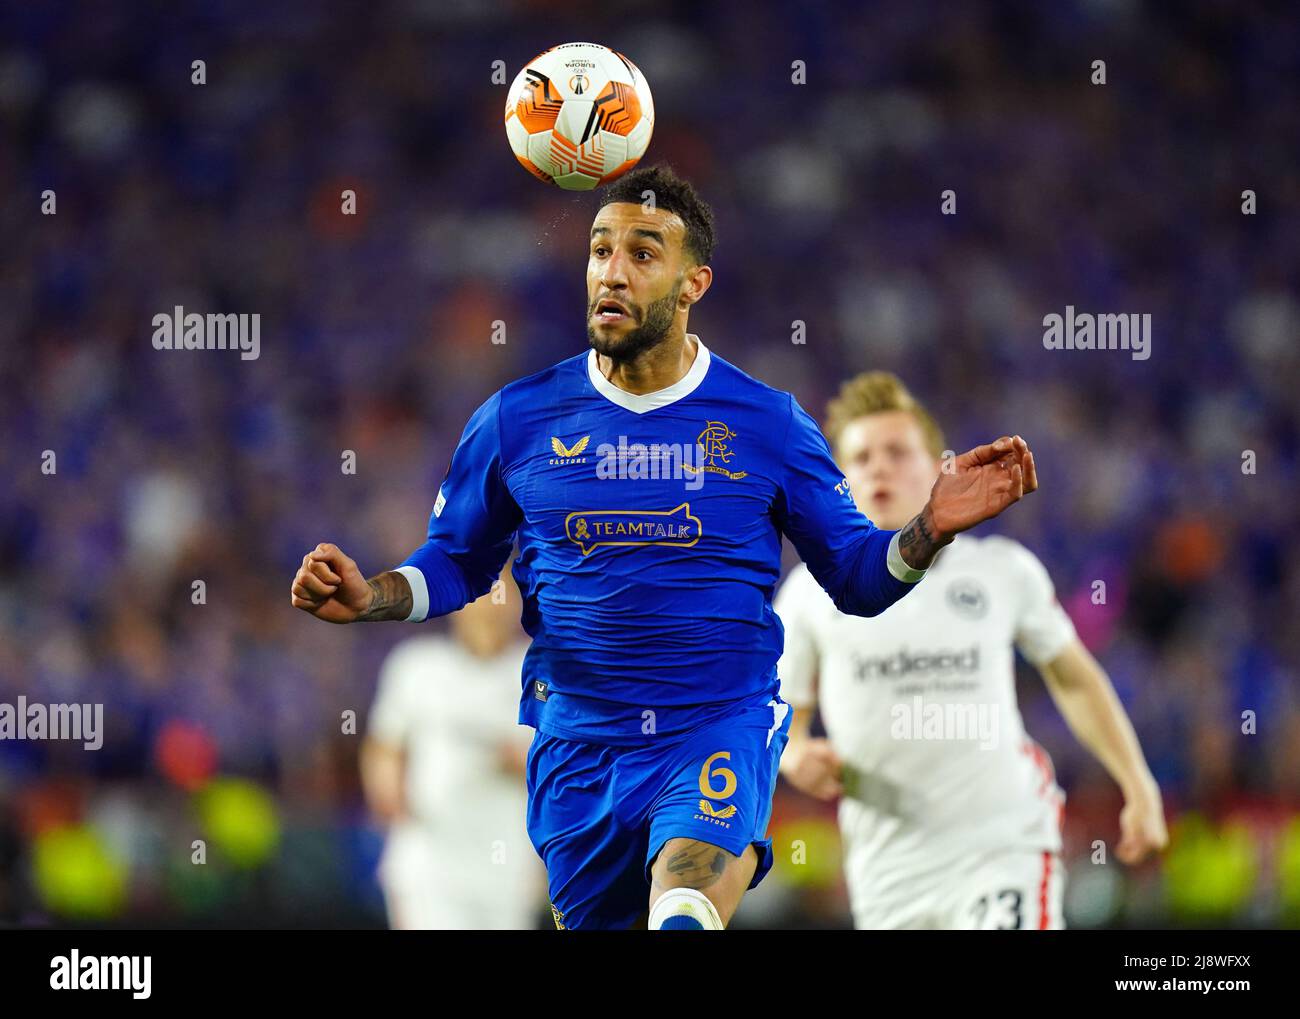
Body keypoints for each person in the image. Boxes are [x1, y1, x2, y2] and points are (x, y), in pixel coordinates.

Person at [290, 165, 1039, 930]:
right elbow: (456, 559)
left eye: (643, 254)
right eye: (600, 250)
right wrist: (373, 595)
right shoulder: (517, 419)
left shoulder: (766, 425)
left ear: (693, 283)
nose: (612, 271)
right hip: (578, 748)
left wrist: (931, 527)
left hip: (715, 724)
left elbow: (855, 576)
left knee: (683, 908)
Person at [775, 372, 1167, 929]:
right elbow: (781, 719)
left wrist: (1138, 785)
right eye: (860, 458)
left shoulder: (998, 571)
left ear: (939, 467)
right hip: (888, 873)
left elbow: (1074, 677)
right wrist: (794, 758)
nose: (878, 467)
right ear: (840, 480)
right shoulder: (811, 594)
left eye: (896, 451)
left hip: (1002, 846)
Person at [361, 570, 543, 929]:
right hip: (429, 864)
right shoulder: (417, 666)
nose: (489, 610)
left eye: (499, 596)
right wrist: (386, 790)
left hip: (506, 871)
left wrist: (523, 761)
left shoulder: (536, 673)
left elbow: (566, 765)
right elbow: (383, 747)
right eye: (480, 596)